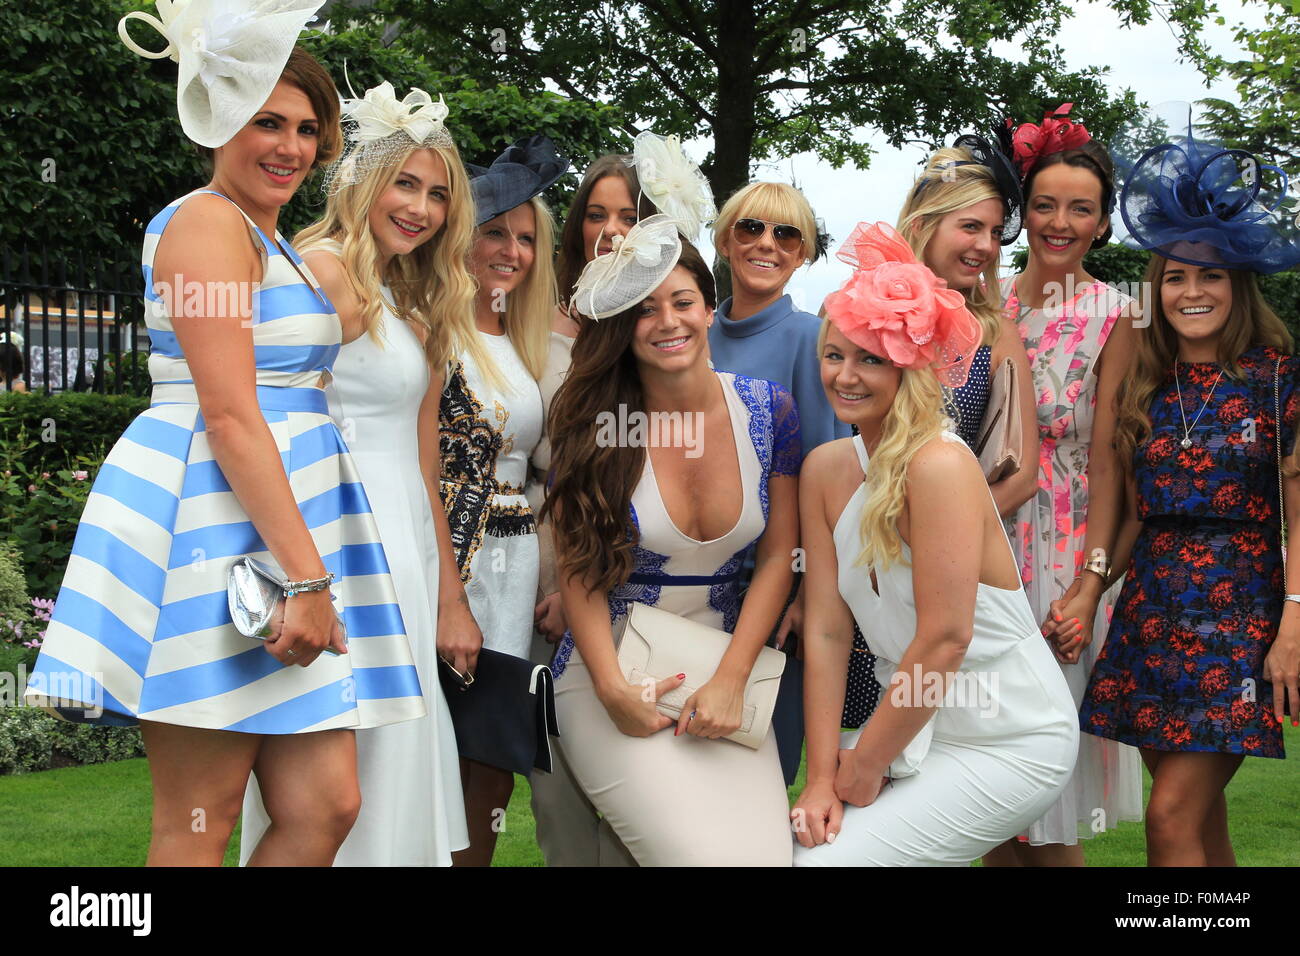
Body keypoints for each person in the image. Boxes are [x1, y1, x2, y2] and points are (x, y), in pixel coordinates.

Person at [24, 4, 424, 866]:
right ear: (215, 121)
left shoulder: (281, 246)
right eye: (264, 122)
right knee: (198, 820)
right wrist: (308, 578)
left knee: (326, 804)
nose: (287, 146)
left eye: (307, 129)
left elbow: (354, 315)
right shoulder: (205, 221)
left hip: (282, 517)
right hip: (211, 521)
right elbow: (232, 413)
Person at [238, 80, 475, 866]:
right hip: (336, 544)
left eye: (438, 194)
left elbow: (424, 460)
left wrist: (451, 598)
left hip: (400, 547)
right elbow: (260, 419)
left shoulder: (402, 302)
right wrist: (303, 577)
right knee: (336, 777)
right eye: (405, 183)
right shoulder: (321, 273)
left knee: (388, 758)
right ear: (362, 182)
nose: (421, 207)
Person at [792, 222, 1078, 866]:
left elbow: (947, 636)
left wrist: (864, 763)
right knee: (797, 851)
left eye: (872, 358)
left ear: (911, 367)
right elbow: (828, 634)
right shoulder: (825, 471)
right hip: (915, 725)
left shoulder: (940, 465)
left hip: (1011, 732)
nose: (846, 375)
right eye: (835, 354)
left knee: (828, 864)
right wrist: (819, 777)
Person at [1056, 120, 1300, 866]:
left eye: (1210, 275)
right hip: (1153, 617)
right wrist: (1091, 591)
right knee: (1199, 823)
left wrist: (1293, 626)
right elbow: (1133, 516)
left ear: (1238, 283)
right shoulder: (1147, 387)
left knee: (1168, 819)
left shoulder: (1278, 380)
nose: (1191, 292)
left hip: (1244, 619)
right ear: (1156, 290)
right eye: (1174, 278)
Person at [541, 217, 799, 865]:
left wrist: (732, 680)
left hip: (725, 677)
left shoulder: (770, 413)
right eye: (643, 310)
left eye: (682, 302)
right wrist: (611, 689)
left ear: (710, 310)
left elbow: (778, 561)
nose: (667, 321)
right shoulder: (597, 423)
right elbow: (577, 571)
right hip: (610, 677)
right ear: (623, 329)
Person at [829, 138, 1041, 732]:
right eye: (971, 225)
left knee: (953, 741)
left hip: (944, 574)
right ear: (924, 223)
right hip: (865, 564)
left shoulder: (995, 332)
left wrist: (936, 538)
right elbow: (837, 439)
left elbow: (1023, 472)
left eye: (997, 233)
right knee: (859, 738)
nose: (986, 246)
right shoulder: (863, 314)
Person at [985, 106, 1144, 866]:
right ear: (1023, 211)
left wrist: (1089, 585)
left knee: (1044, 797)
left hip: (1066, 553)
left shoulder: (1120, 315)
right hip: (982, 540)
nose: (1059, 222)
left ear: (1103, 223)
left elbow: (1113, 461)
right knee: (984, 790)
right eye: (1044, 204)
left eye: (1080, 208)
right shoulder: (986, 306)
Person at [438, 136, 563, 866]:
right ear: (462, 234)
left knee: (492, 759)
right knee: (433, 751)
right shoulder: (431, 329)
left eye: (525, 238)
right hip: (454, 558)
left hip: (513, 572)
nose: (511, 251)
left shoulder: (523, 338)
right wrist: (447, 590)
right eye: (495, 232)